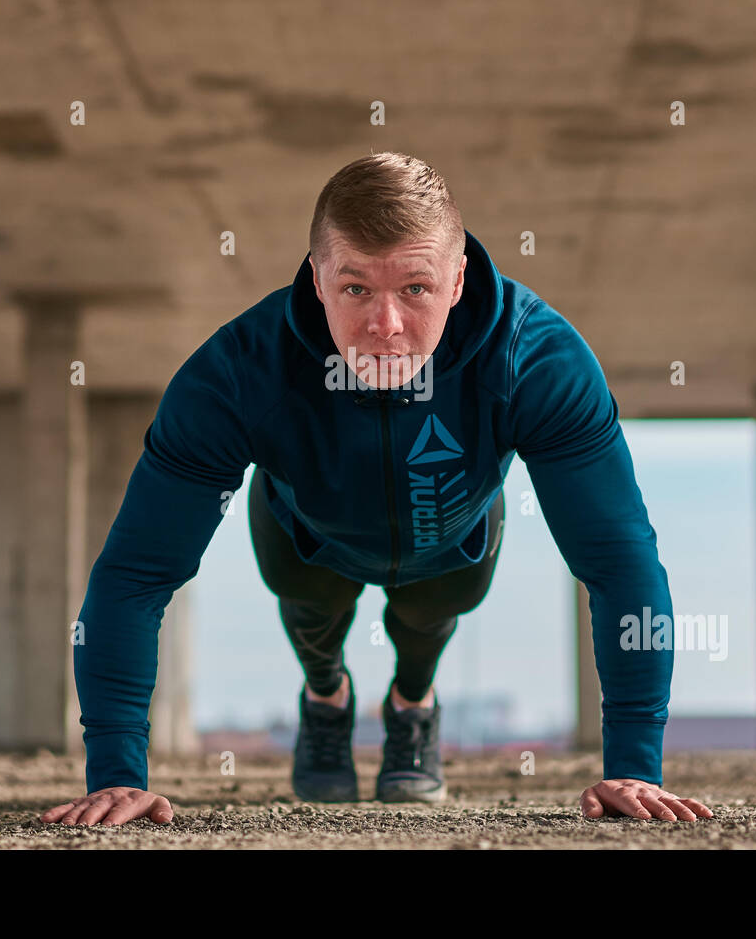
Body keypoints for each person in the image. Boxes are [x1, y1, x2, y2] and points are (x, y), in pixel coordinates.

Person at [40, 152, 712, 827]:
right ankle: (325, 700)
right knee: (313, 614)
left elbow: (619, 561)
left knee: (428, 619)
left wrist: (633, 765)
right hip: (303, 538)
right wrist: (118, 773)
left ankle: (410, 709)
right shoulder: (240, 374)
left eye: (415, 289)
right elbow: (135, 574)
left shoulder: (536, 360)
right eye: (356, 288)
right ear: (318, 279)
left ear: (457, 282)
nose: (384, 325)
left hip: (455, 538)